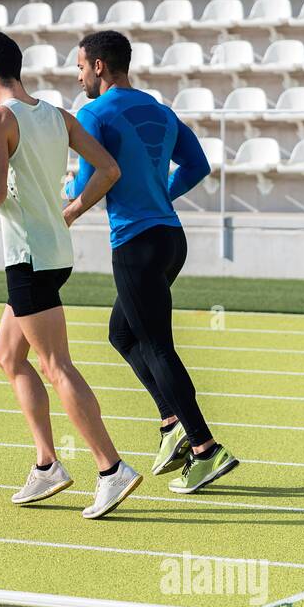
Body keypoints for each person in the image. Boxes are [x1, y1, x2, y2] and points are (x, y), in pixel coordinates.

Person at [0, 31, 142, 520]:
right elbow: (108, 169)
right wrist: (70, 211)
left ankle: (111, 468)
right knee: (7, 355)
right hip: (55, 251)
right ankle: (47, 464)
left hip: (29, 257)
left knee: (55, 365)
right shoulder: (58, 115)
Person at [67, 30, 239, 494]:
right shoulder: (160, 110)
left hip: (136, 242)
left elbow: (89, 180)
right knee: (123, 333)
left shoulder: (93, 113)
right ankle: (172, 423)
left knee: (158, 345)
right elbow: (197, 166)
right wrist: (162, 192)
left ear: (99, 66)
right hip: (170, 239)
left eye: (80, 66)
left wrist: (64, 206)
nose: (78, 75)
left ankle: (205, 448)